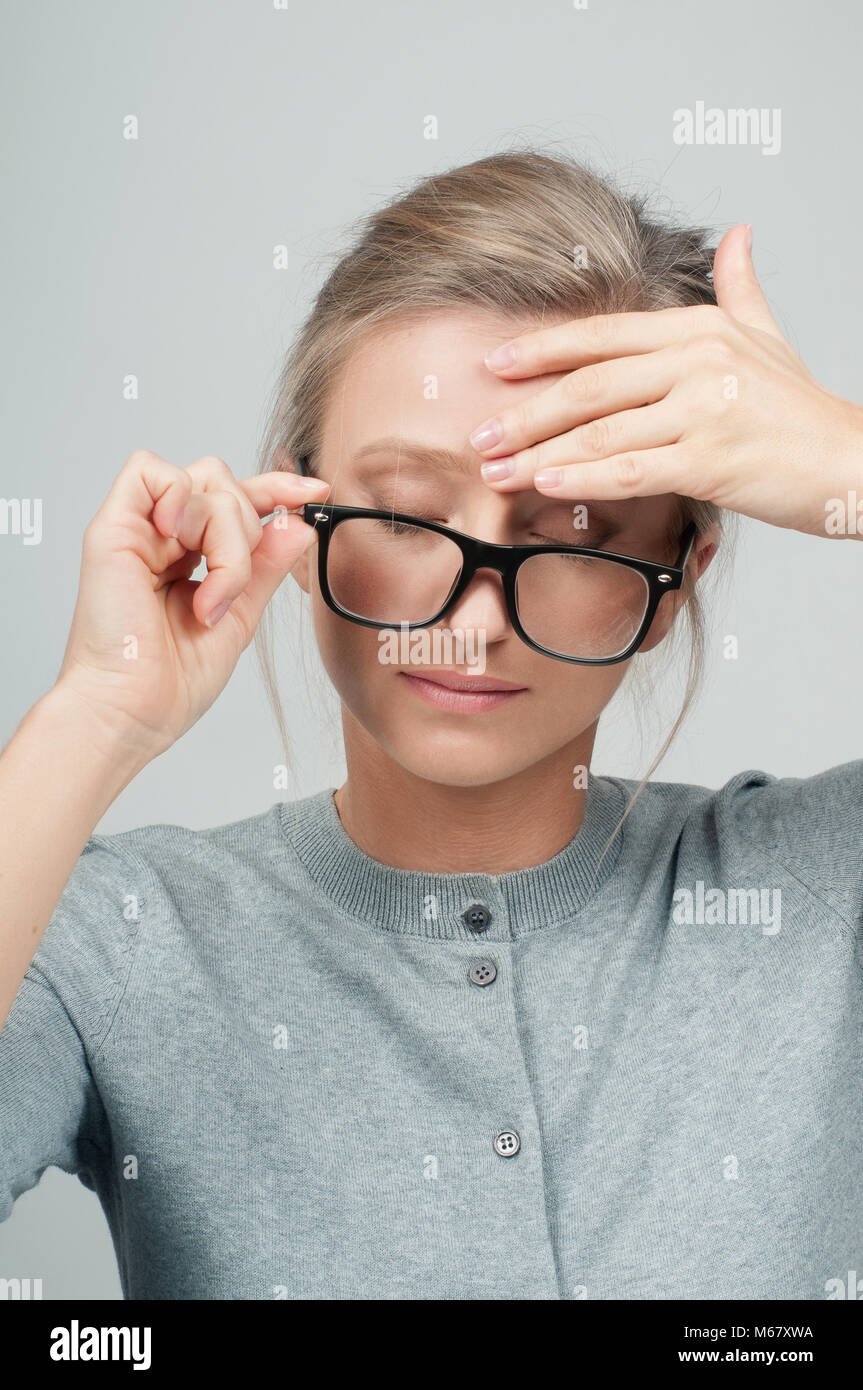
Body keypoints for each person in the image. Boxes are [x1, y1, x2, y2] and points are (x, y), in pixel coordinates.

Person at [1, 150, 862, 1301]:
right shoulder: (121, 939)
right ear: (294, 519)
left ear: (677, 574)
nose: (472, 617)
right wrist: (92, 716)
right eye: (405, 515)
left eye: (574, 526)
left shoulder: (820, 892)